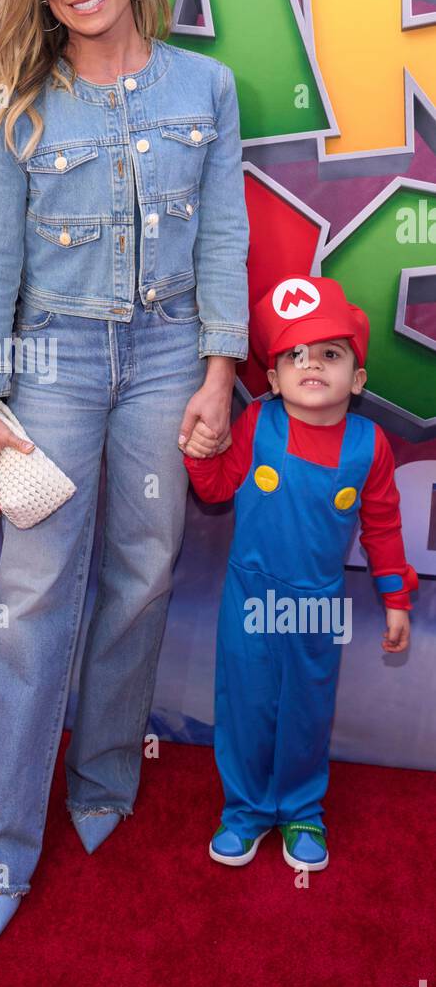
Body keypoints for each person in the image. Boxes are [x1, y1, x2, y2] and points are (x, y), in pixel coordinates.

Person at [0, 0, 250, 939]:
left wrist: (220, 370)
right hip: (53, 365)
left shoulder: (206, 90)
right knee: (30, 597)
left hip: (171, 359)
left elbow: (222, 238)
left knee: (140, 577)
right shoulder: (11, 108)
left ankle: (102, 782)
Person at [183, 275, 416, 872]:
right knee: (247, 705)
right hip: (250, 595)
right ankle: (245, 812)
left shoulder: (370, 445)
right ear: (274, 378)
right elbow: (214, 492)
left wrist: (395, 598)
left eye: (330, 354)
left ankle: (303, 810)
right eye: (295, 355)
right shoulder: (258, 425)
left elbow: (384, 529)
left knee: (307, 710)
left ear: (357, 380)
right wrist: (198, 452)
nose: (311, 365)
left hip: (320, 605)